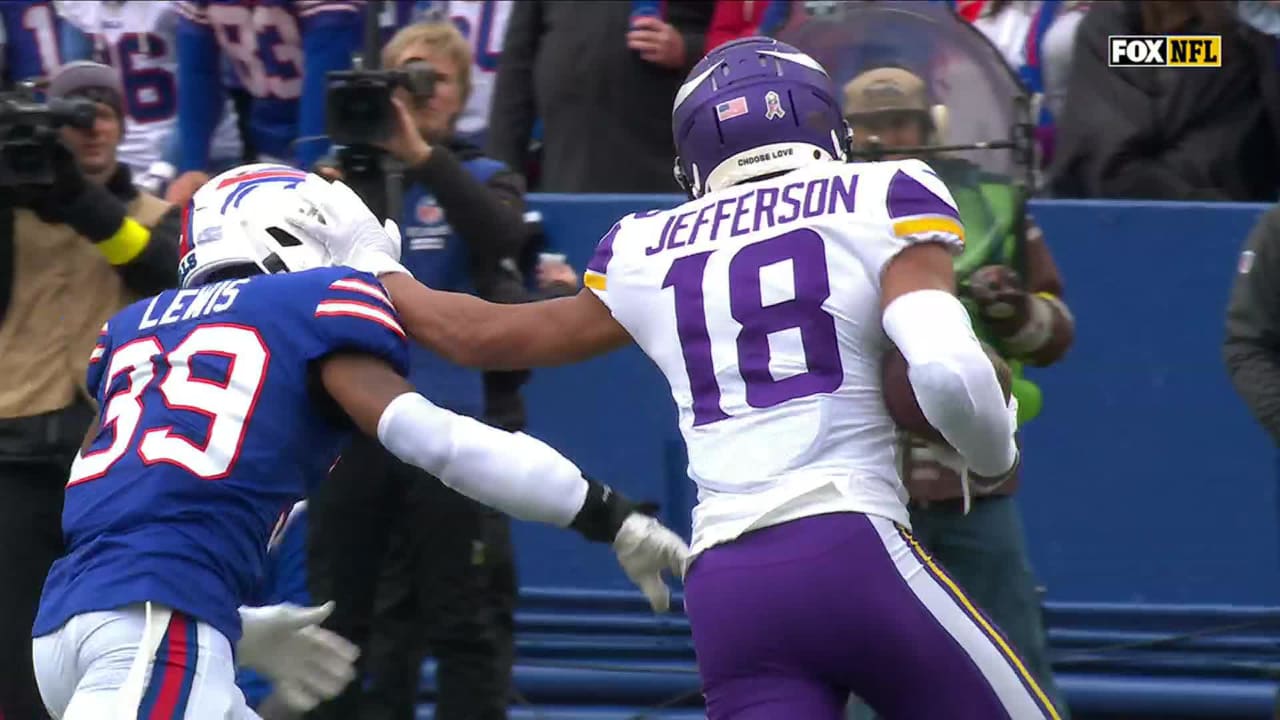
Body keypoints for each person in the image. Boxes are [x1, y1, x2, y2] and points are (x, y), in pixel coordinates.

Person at [298, 37, 1060, 720]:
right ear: (827, 126)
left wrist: (373, 259)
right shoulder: (885, 193)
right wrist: (994, 454)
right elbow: (950, 369)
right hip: (851, 542)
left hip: (726, 587)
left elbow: (477, 336)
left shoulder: (646, 244)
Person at [29, 162, 688, 719]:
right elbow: (441, 443)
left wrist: (231, 623)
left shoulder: (134, 328)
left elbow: (110, 495)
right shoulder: (305, 305)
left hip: (72, 622)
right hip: (157, 624)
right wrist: (606, 514)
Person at [303, 20, 540, 720]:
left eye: (429, 80)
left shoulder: (484, 176)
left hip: (456, 428)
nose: (412, 94)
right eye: (399, 77)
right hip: (354, 430)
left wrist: (420, 155)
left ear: (461, 94)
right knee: (342, 621)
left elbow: (501, 239)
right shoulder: (336, 186)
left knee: (463, 617)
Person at [841, 66, 1074, 719]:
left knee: (1015, 664)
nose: (887, 138)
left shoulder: (990, 203)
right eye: (870, 125)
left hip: (975, 484)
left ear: (930, 125)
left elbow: (1057, 334)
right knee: (868, 675)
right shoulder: (824, 213)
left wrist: (1013, 310)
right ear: (845, 134)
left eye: (900, 122)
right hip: (865, 485)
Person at [0, 59, 180, 720]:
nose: (94, 126)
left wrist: (77, 200)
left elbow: (168, 275)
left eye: (106, 111)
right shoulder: (10, 216)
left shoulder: (155, 214)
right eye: (79, 113)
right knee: (13, 653)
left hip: (114, 461)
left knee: (118, 642)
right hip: (13, 452)